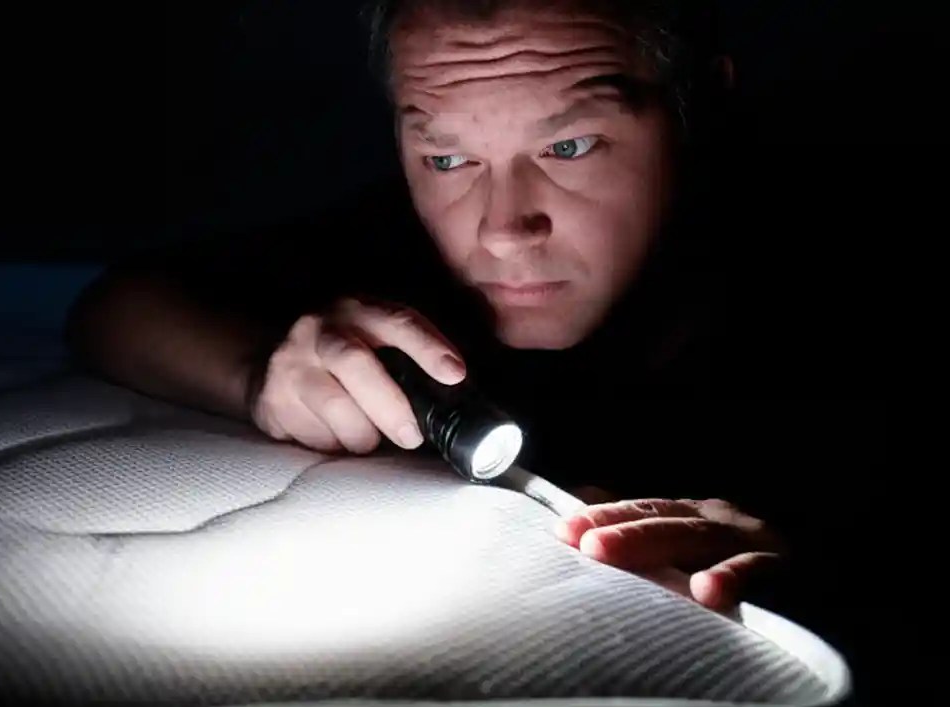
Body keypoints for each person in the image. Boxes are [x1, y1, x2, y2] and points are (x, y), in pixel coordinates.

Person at [68, 0, 783, 611]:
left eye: (569, 145)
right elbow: (114, 307)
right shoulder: (391, 252)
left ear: (701, 112)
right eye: (447, 160)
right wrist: (261, 377)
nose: (502, 231)